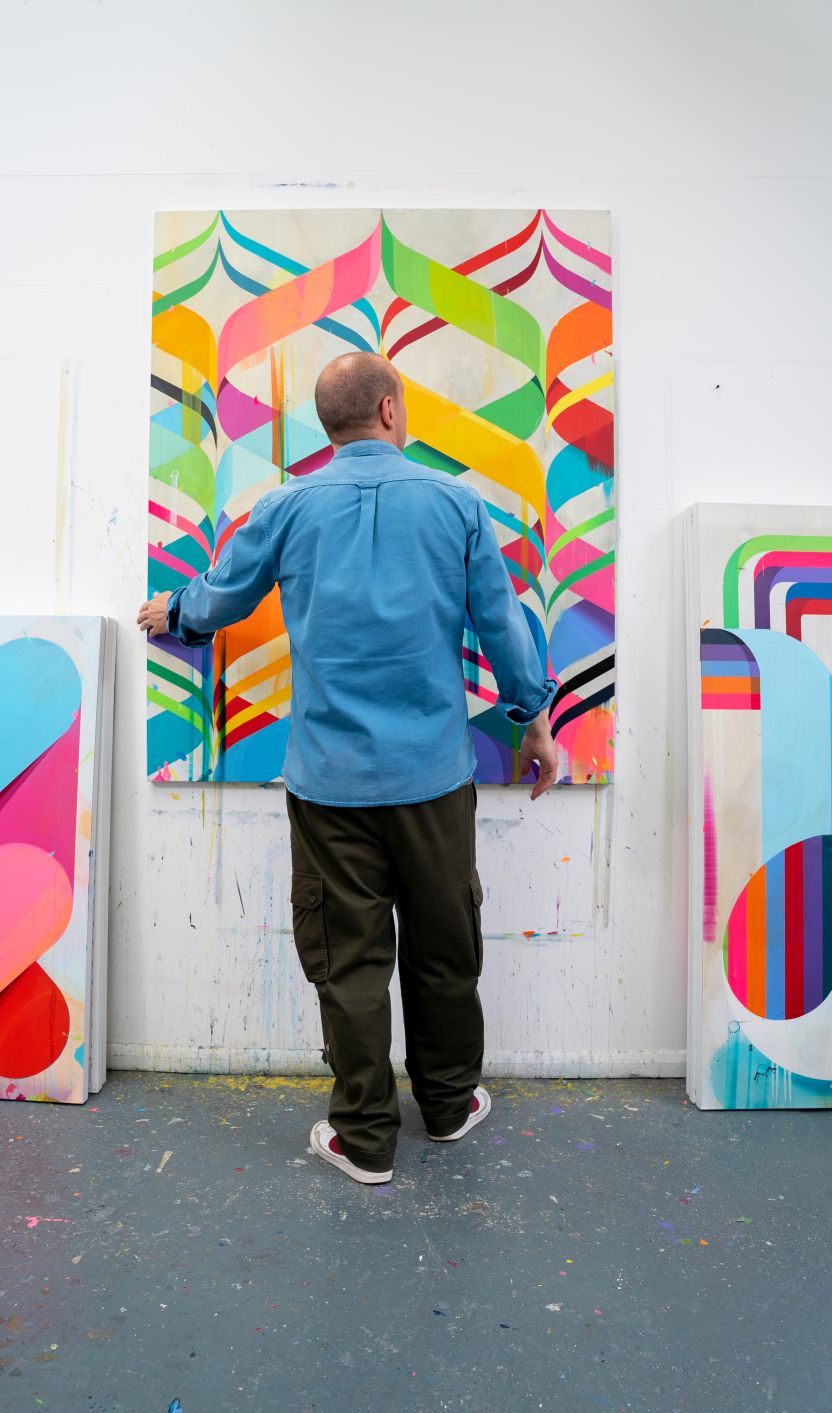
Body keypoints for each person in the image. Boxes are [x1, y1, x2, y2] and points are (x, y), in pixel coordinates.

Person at [138, 352, 558, 1185]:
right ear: (391, 411)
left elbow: (224, 595)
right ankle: (449, 1105)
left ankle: (365, 1138)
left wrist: (172, 610)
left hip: (329, 782)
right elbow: (502, 626)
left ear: (329, 424)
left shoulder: (286, 506)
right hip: (434, 779)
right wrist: (534, 722)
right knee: (444, 944)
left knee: (349, 959)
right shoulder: (458, 506)